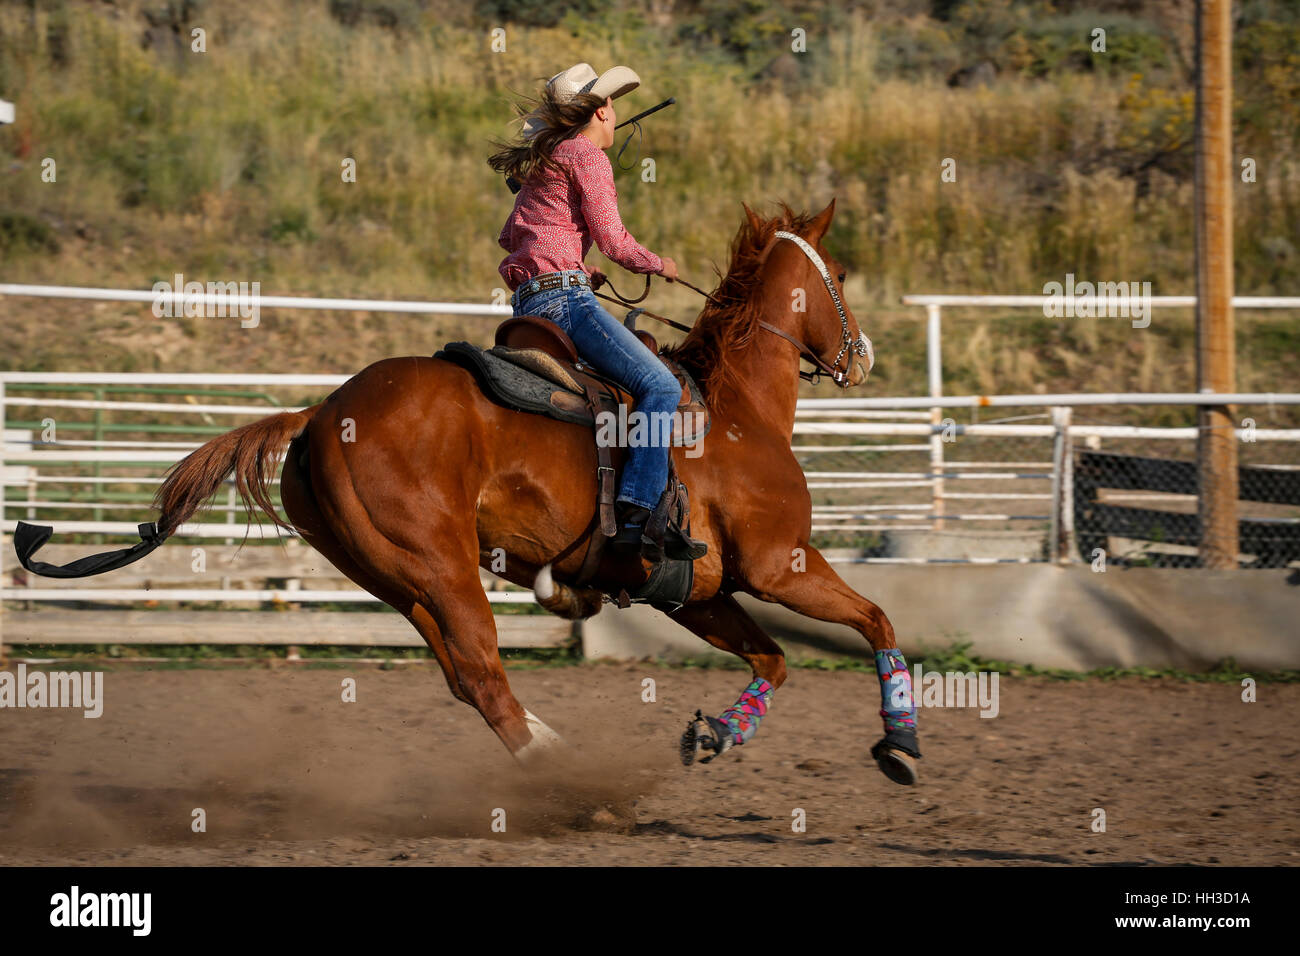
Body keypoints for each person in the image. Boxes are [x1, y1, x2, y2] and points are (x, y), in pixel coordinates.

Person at [489, 63, 704, 561]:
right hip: (565, 303)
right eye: (612, 105)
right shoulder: (585, 154)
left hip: (530, 303)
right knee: (662, 386)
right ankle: (637, 505)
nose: (616, 114)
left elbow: (514, 236)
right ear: (602, 109)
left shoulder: (547, 159)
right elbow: (614, 240)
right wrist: (659, 264)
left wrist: (575, 267)